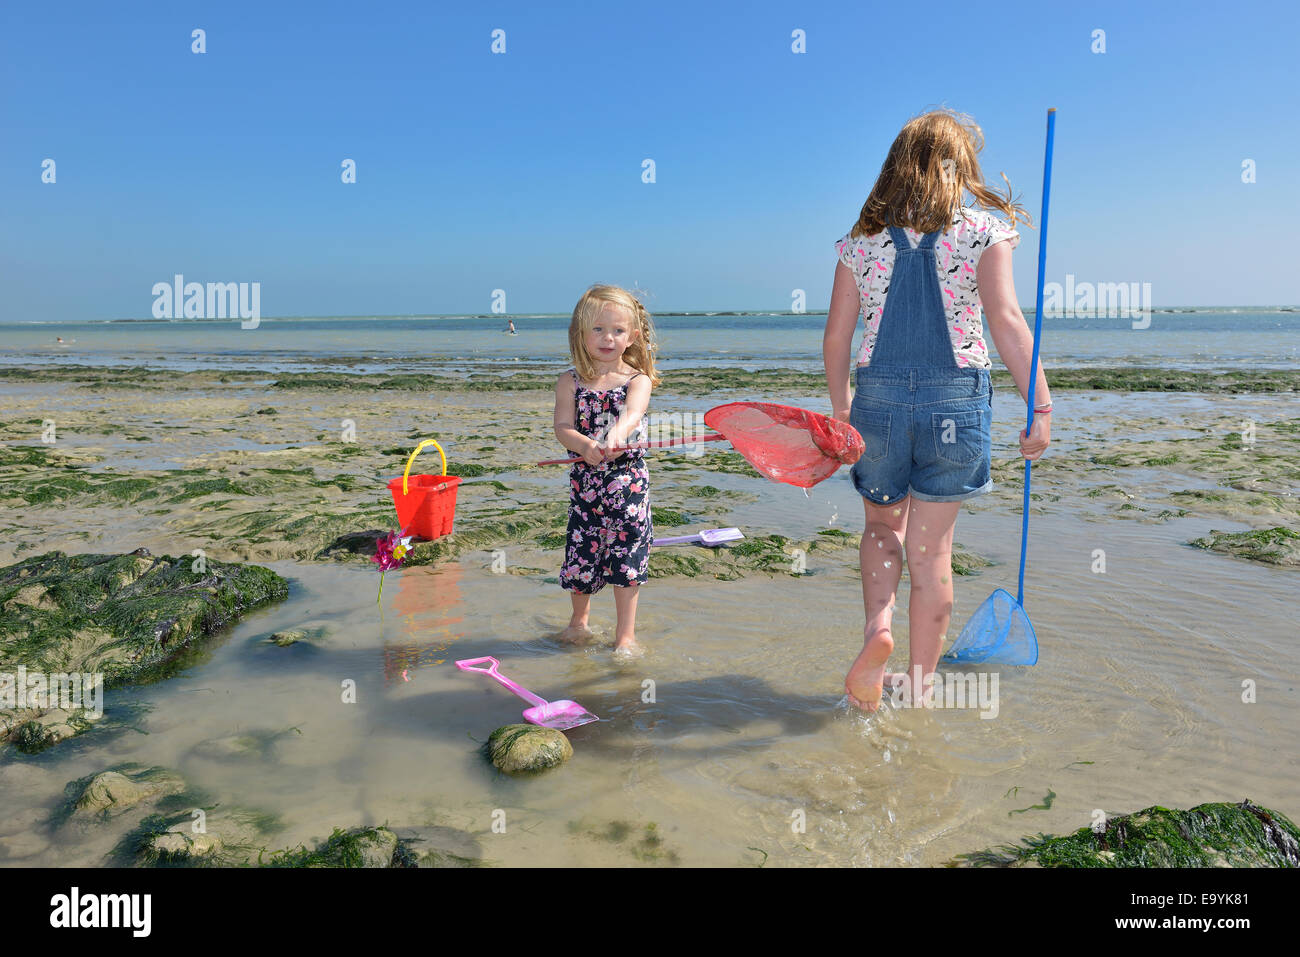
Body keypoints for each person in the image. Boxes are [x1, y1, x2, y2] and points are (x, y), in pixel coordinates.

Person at [822, 109, 1053, 711]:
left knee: (880, 527)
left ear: (894, 167)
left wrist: (844, 407)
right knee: (933, 553)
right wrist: (1041, 406)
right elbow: (1006, 322)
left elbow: (836, 337)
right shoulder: (983, 229)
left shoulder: (860, 242)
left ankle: (878, 630)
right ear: (963, 166)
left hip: (878, 402)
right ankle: (921, 684)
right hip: (957, 401)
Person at [553, 284, 660, 653]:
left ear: (632, 336)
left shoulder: (637, 380)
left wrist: (614, 436)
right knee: (582, 553)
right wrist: (585, 445)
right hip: (585, 484)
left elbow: (632, 414)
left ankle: (625, 635)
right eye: (597, 329)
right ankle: (578, 621)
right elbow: (563, 428)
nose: (607, 338)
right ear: (580, 333)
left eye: (617, 330)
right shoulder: (570, 381)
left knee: (627, 558)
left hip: (627, 485)